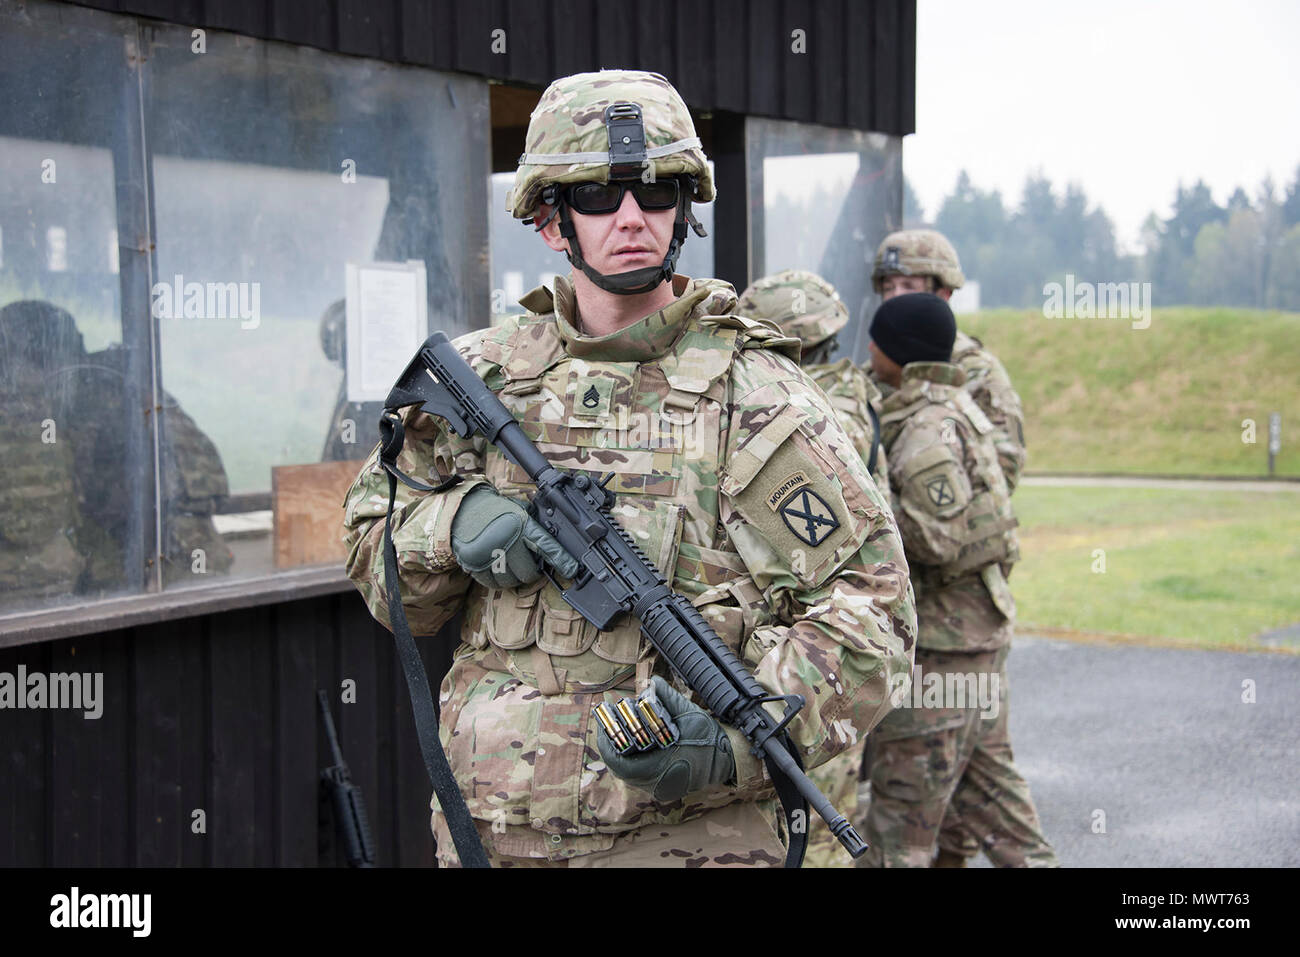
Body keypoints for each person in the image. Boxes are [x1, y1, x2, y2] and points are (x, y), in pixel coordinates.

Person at [341, 69, 916, 867]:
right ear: (550, 219)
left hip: (681, 842)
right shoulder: (481, 381)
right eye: (599, 197)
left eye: (656, 193)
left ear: (684, 209)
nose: (632, 218)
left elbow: (873, 609)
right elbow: (376, 562)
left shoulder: (754, 390)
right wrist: (449, 526)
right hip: (489, 837)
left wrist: (733, 744)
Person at [858, 292, 1057, 868]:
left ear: (896, 352)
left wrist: (870, 497)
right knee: (995, 809)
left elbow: (938, 540)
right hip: (971, 645)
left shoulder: (925, 430)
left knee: (900, 830)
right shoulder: (951, 407)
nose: (868, 351)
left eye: (876, 340)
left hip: (944, 655)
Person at [735, 268, 890, 868]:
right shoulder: (849, 392)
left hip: (817, 650)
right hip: (836, 647)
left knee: (821, 830)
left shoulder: (805, 409)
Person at [872, 229, 1026, 492]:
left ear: (943, 293)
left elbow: (1005, 466)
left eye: (909, 286)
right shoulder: (876, 365)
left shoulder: (976, 370)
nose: (896, 296)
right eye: (889, 287)